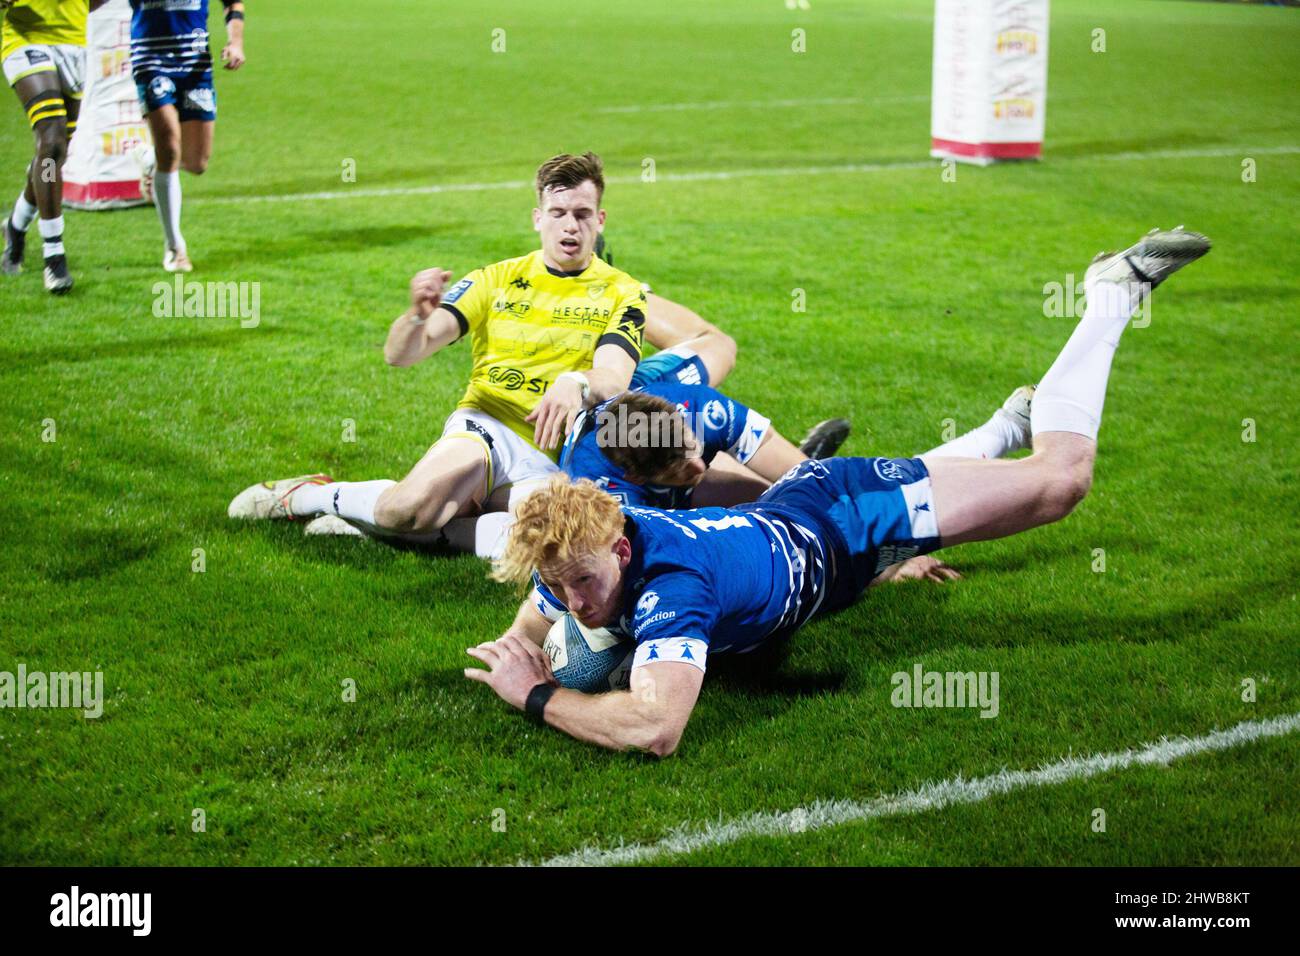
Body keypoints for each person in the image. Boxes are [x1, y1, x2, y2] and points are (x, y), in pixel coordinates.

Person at [462, 227, 1212, 756]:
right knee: (799, 507)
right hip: (797, 524)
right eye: (566, 588)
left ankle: (1111, 294)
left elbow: (655, 729)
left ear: (621, 542)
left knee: (1060, 484)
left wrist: (538, 696)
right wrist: (520, 646)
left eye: (586, 585)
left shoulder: (671, 588)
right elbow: (538, 614)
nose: (579, 602)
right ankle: (996, 430)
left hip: (847, 517)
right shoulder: (584, 538)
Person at [228, 152, 648, 557]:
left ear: (600, 219)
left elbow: (613, 375)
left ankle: (390, 528)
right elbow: (402, 355)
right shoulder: (496, 279)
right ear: (538, 218)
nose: (570, 226)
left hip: (560, 458)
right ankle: (308, 495)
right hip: (489, 428)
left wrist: (575, 382)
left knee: (574, 545)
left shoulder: (622, 291)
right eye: (558, 213)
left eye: (582, 214)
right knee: (410, 507)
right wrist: (415, 317)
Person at [126, 0, 245, 272]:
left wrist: (235, 42)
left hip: (195, 64)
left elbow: (233, 3)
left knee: (196, 162)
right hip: (150, 59)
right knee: (169, 145)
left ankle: (150, 160)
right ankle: (175, 248)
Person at [1, 0, 107, 292]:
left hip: (73, 41)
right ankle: (54, 254)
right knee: (50, 139)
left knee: (51, 159)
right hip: (25, 38)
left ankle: (15, 225)